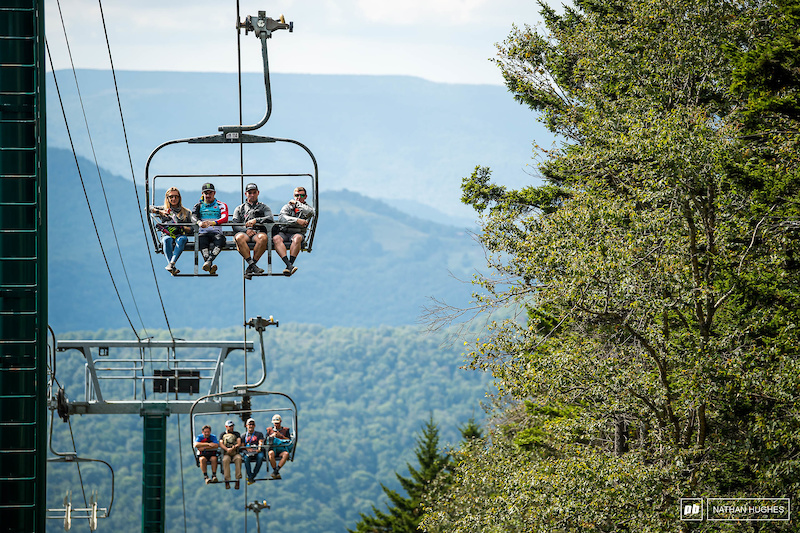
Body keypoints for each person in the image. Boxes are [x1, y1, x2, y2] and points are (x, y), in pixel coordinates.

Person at [231, 183, 274, 280]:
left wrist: (256, 220)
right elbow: (234, 225)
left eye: (254, 193)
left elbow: (270, 218)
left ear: (258, 193)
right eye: (250, 193)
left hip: (258, 232)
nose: (252, 195)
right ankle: (253, 266)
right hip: (244, 233)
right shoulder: (239, 208)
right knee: (238, 238)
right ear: (246, 194)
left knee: (263, 238)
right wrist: (246, 230)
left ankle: (250, 267)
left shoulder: (263, 207)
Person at [149, 187, 194, 275]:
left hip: (179, 235)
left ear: (179, 198)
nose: (173, 199)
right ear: (167, 198)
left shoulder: (186, 212)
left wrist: (183, 227)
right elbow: (148, 208)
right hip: (167, 234)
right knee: (166, 240)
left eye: (176, 197)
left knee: (182, 240)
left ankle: (171, 264)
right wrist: (160, 212)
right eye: (171, 197)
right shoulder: (164, 209)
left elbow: (192, 228)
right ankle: (171, 265)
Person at [272, 186, 315, 276]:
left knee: (297, 238)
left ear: (305, 197)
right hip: (284, 232)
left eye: (302, 196)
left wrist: (297, 204)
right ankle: (289, 265)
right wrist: (297, 220)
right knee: (276, 238)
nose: (299, 197)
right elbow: (282, 218)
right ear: (293, 195)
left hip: (297, 233)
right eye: (297, 195)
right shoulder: (287, 207)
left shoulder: (307, 208)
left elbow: (310, 212)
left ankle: (289, 264)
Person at [191, 182, 228, 274]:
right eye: (206, 193)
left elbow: (225, 218)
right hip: (203, 233)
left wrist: (213, 223)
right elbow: (193, 217)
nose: (208, 195)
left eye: (210, 193)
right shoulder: (198, 206)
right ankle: (209, 264)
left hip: (216, 232)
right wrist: (199, 223)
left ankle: (208, 262)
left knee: (221, 241)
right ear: (202, 194)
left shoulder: (221, 205)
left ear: (214, 193)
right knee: (201, 241)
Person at [265, 414, 292, 479]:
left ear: (280, 422)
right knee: (271, 453)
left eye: (277, 423)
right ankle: (275, 471)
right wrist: (271, 436)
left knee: (286, 454)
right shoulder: (269, 430)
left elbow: (289, 440)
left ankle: (276, 470)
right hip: (273, 448)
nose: (276, 425)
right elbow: (265, 440)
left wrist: (281, 436)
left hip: (281, 448)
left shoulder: (285, 430)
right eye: (275, 423)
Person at [240, 418, 265, 485]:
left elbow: (260, 442)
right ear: (246, 425)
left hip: (257, 451)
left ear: (254, 425)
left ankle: (252, 476)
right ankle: (250, 476)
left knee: (260, 457)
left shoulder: (259, 434)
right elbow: (242, 446)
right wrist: (247, 449)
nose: (251, 426)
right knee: (246, 458)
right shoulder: (243, 435)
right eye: (249, 424)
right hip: (248, 452)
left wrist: (258, 449)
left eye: (252, 424)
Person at [219, 420, 243, 490]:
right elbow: (221, 443)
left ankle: (237, 479)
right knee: (225, 460)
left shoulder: (236, 434)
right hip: (227, 453)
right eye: (230, 426)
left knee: (238, 459)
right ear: (226, 427)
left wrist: (234, 447)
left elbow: (239, 443)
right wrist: (227, 449)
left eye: (232, 426)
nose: (231, 428)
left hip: (235, 452)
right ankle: (227, 479)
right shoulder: (222, 434)